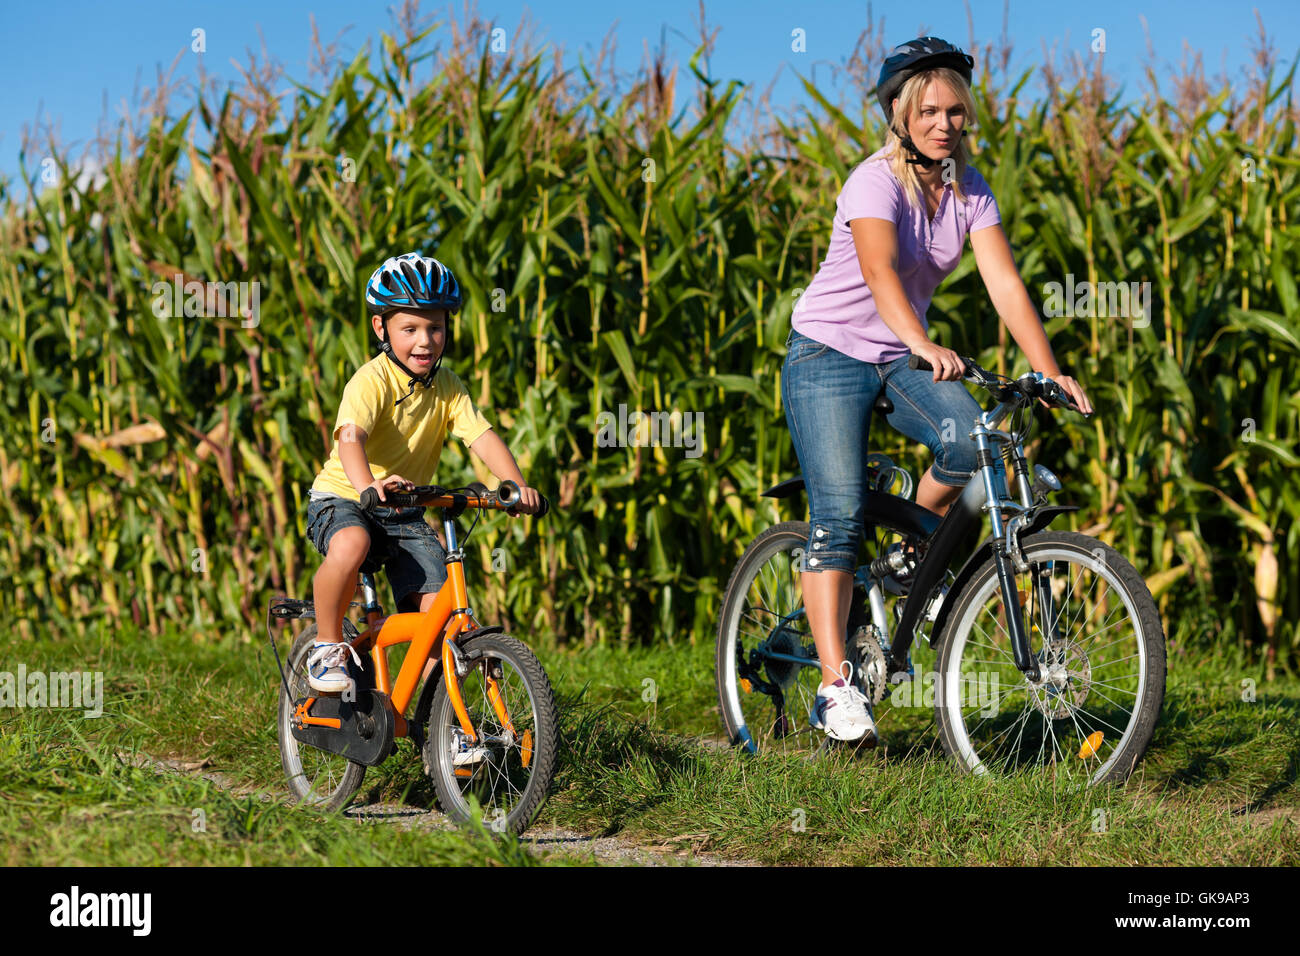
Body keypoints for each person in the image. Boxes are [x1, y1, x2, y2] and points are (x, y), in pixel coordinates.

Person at [783, 37, 1094, 743]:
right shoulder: (873, 182)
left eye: (956, 111)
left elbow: (1005, 284)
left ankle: (906, 556)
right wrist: (921, 342)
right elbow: (879, 273)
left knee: (969, 443)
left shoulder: (968, 187)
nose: (945, 123)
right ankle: (835, 687)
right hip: (828, 355)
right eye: (929, 110)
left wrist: (1046, 369)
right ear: (898, 112)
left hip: (900, 356)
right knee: (835, 513)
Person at [303, 252, 542, 693]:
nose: (425, 341)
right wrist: (368, 485)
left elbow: (482, 437)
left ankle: (434, 726)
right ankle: (326, 644)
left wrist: (516, 485)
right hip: (344, 499)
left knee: (439, 616)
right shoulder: (371, 381)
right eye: (409, 329)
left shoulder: (448, 386)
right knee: (352, 542)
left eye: (435, 327)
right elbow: (350, 438)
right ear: (382, 329)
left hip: (404, 511)